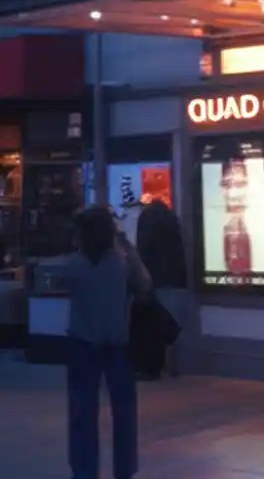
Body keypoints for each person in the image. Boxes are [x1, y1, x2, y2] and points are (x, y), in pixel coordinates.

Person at [65, 206, 151, 479]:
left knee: (81, 413)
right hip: (118, 343)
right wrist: (125, 243)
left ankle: (84, 471)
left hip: (82, 343)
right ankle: (124, 469)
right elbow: (145, 283)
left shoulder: (75, 265)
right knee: (124, 413)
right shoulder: (122, 263)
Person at [135, 201, 187, 379]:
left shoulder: (147, 220)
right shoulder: (172, 221)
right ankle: (174, 366)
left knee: (155, 324)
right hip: (176, 279)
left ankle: (157, 366)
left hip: (156, 279)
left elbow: (144, 249)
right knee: (172, 323)